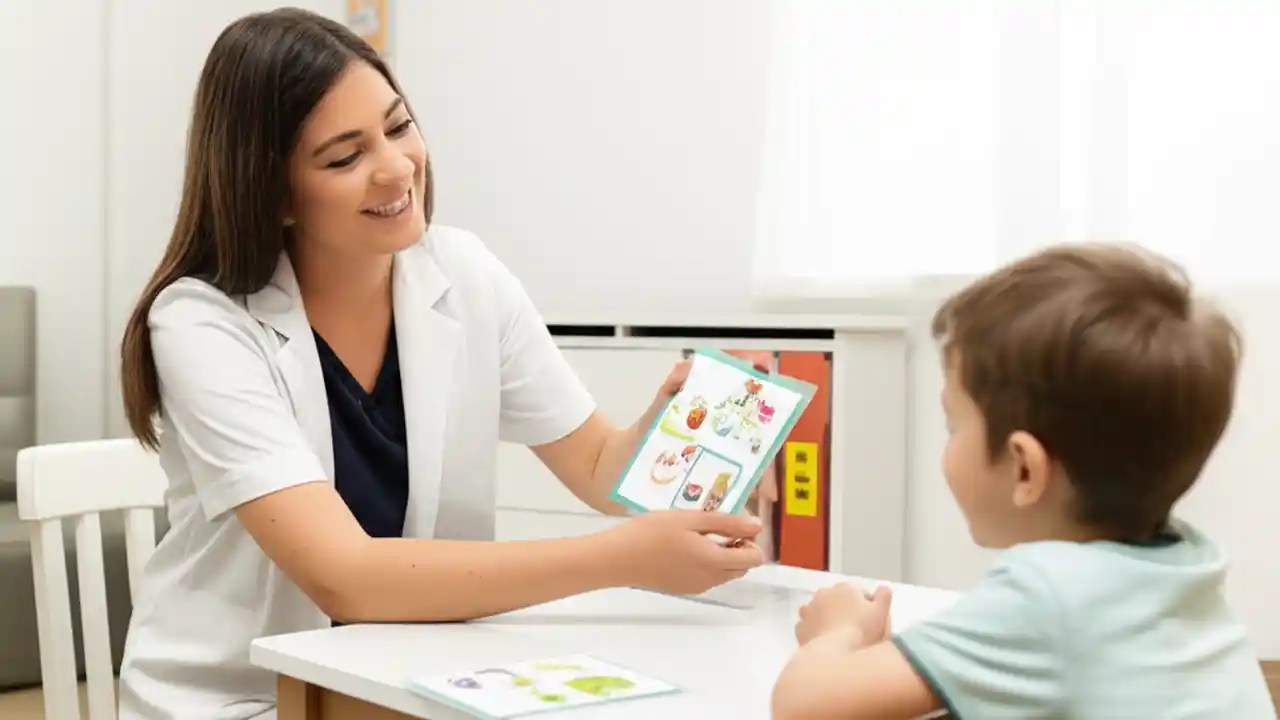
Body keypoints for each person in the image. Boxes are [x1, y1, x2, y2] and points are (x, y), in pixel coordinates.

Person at [114, 9, 763, 718]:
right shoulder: (201, 323)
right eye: (344, 157)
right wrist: (624, 557)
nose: (397, 167)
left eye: (398, 126)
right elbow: (347, 578)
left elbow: (601, 465)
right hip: (241, 696)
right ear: (273, 194)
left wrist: (691, 429)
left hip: (408, 673)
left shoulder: (464, 273)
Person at [772, 244, 1276, 719]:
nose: (948, 443)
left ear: (1024, 469)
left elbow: (805, 706)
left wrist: (837, 634)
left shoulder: (1046, 596)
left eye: (954, 425)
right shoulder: (1185, 560)